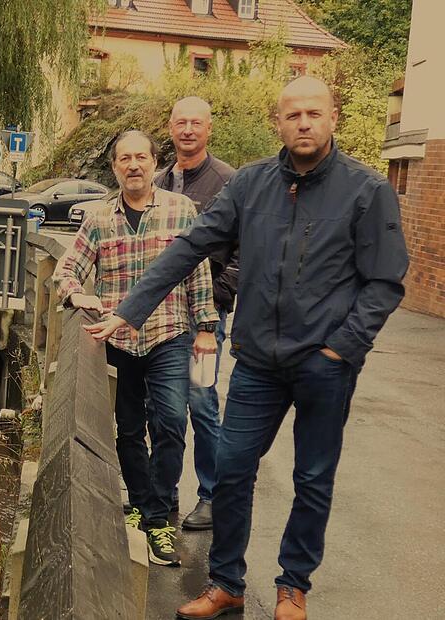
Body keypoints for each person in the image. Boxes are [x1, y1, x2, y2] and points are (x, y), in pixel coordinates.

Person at [85, 77, 408, 620]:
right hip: (258, 360)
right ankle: (227, 582)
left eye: (313, 113)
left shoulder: (366, 190)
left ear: (334, 119)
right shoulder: (252, 184)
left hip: (324, 363)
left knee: (312, 476)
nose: (303, 123)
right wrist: (129, 309)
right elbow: (190, 247)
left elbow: (384, 281)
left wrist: (343, 348)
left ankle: (292, 586)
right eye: (292, 115)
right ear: (277, 123)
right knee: (232, 469)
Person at [52, 130, 218, 567]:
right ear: (115, 167)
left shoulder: (181, 210)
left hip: (169, 331)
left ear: (153, 161)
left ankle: (158, 514)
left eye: (141, 157)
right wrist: (76, 294)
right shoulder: (100, 217)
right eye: (124, 159)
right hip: (119, 338)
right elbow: (67, 267)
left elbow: (198, 270)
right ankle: (146, 508)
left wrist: (206, 327)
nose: (134, 166)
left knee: (170, 424)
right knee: (127, 430)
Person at [154, 96, 238, 532]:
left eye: (196, 123)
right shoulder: (159, 180)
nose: (188, 130)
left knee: (202, 401)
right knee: (164, 404)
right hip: (164, 315)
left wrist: (218, 297)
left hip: (207, 318)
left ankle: (210, 495)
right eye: (180, 122)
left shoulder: (229, 181)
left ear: (209, 128)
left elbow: (245, 249)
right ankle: (164, 489)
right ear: (171, 128)